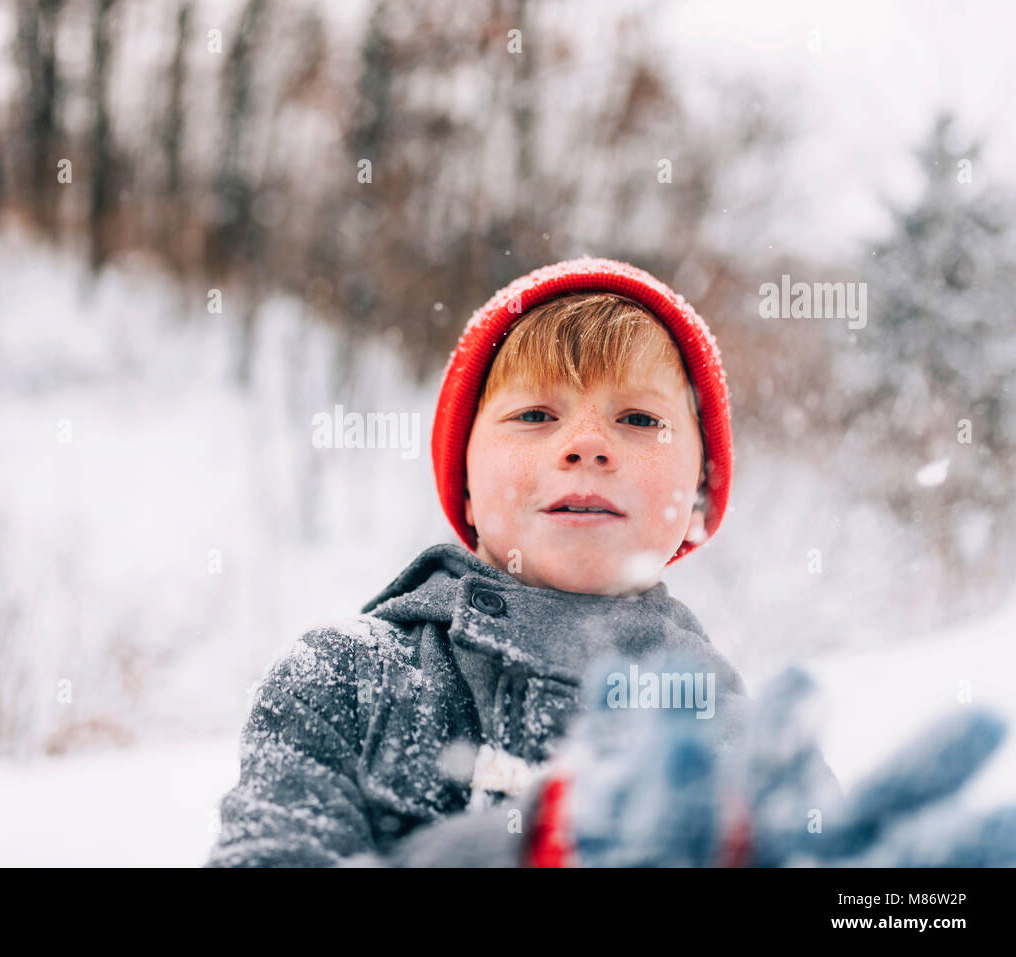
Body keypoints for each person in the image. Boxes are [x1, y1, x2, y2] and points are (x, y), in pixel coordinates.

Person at [204, 257, 840, 867]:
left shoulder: (741, 742)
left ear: (699, 487)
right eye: (535, 414)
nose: (587, 444)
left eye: (640, 418)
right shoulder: (344, 683)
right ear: (467, 485)